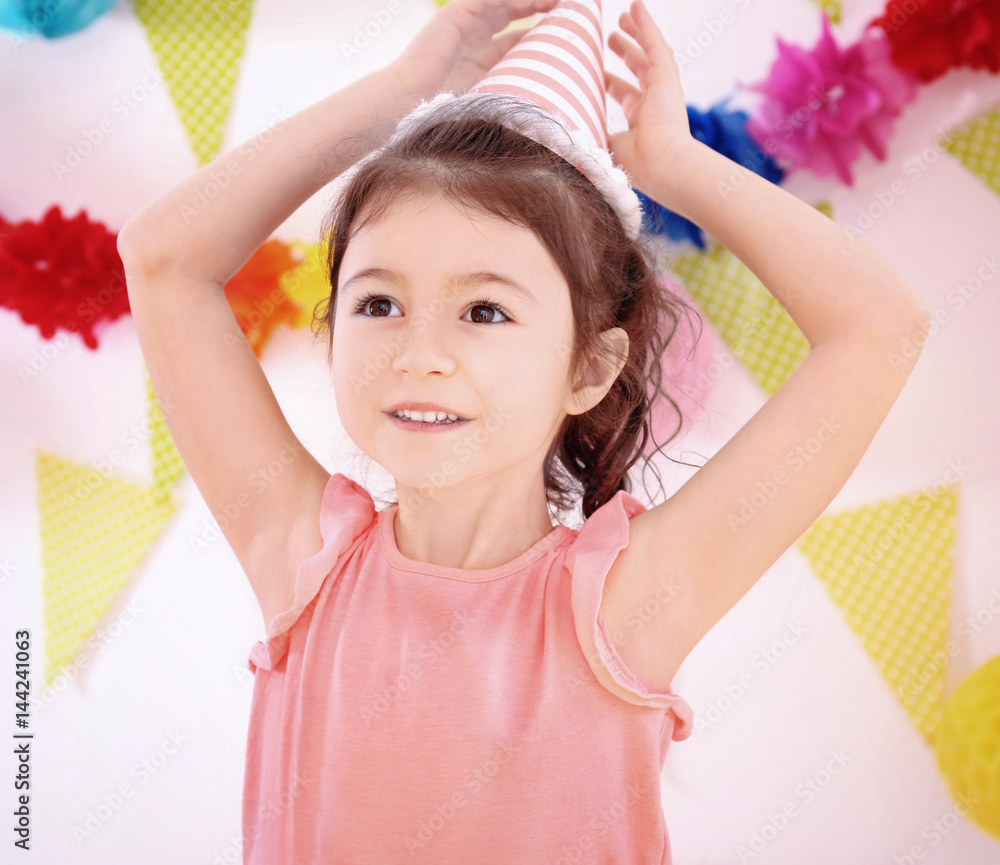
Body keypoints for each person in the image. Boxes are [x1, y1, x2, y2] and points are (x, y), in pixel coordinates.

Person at [116, 0, 931, 861]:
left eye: (484, 309)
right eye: (380, 302)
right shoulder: (305, 560)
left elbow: (881, 328)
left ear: (588, 366)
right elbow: (163, 260)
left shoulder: (622, 605)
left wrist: (674, 164)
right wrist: (402, 90)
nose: (419, 354)